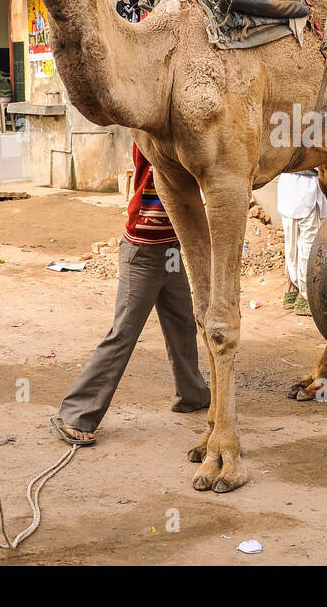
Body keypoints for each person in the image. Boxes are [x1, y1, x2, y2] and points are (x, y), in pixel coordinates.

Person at [52, 144, 209, 445]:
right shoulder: (151, 136)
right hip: (143, 250)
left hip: (171, 251)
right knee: (124, 332)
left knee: (183, 324)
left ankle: (192, 394)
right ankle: (77, 414)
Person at [278, 170, 327, 315]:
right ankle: (306, 297)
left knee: (292, 244)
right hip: (305, 190)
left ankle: (292, 291)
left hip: (289, 188)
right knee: (307, 245)